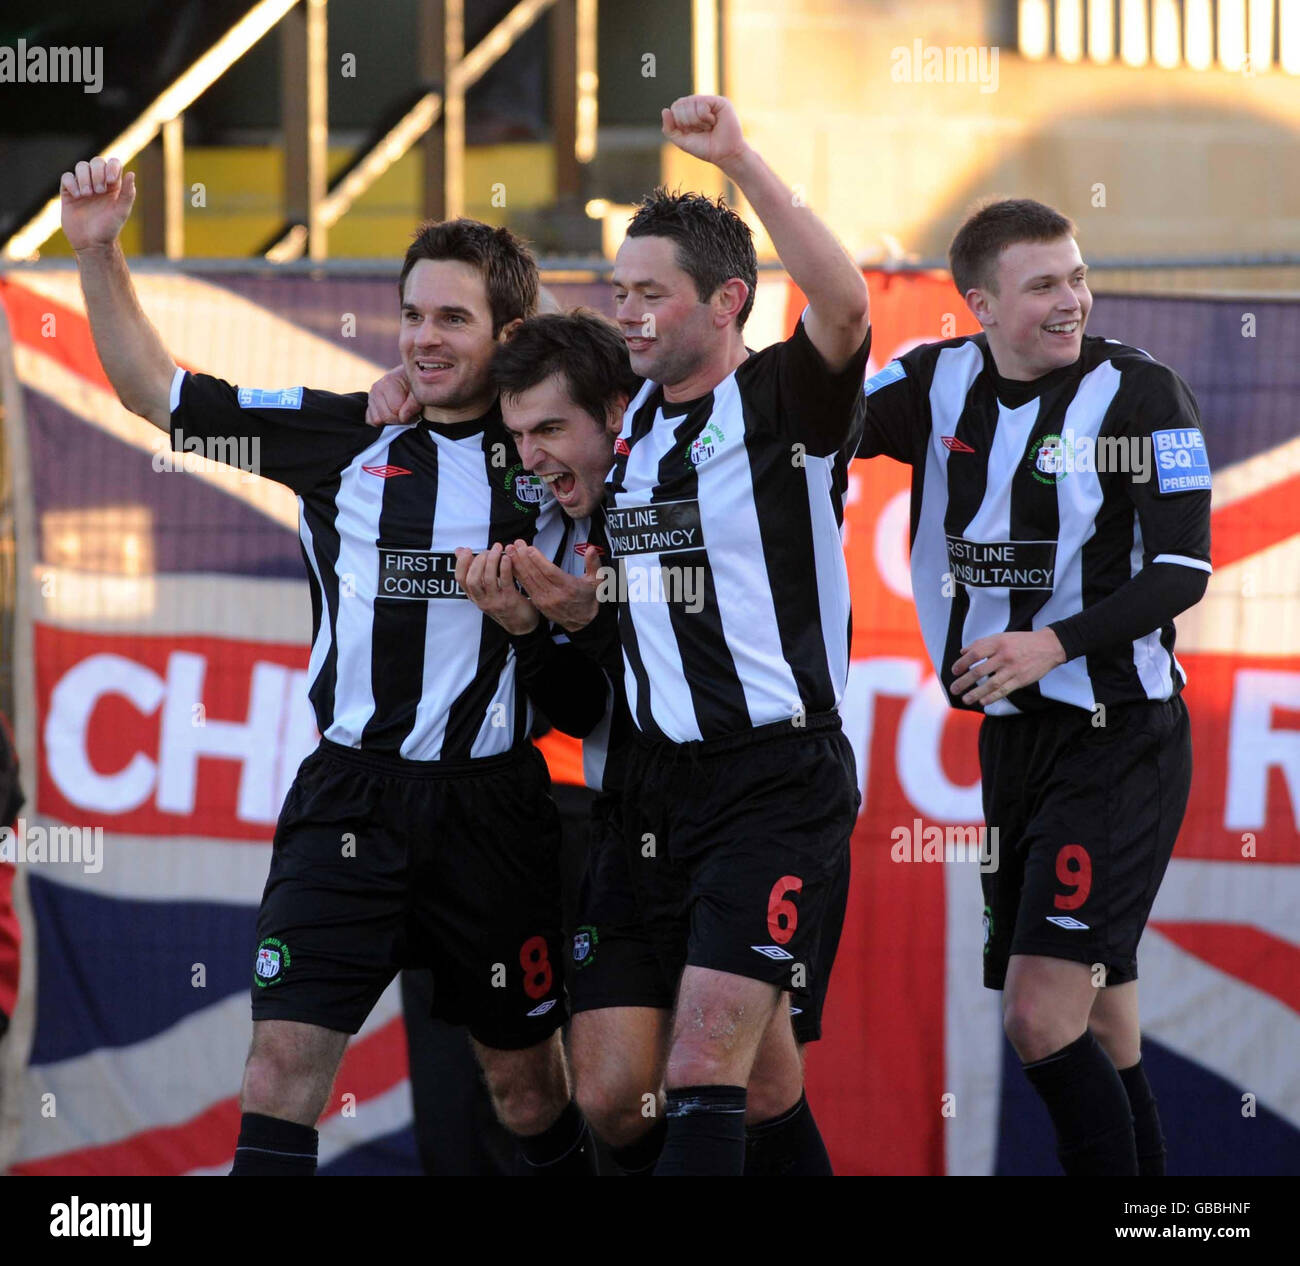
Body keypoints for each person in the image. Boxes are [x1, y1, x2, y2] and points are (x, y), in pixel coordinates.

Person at [60, 156, 596, 1176]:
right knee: (278, 1076)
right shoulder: (340, 434)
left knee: (527, 1089)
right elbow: (153, 394)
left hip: (495, 813)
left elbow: (627, 374)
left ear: (511, 337)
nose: (422, 340)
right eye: (411, 317)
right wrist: (97, 249)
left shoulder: (554, 454)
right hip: (349, 801)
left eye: (452, 319)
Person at [496, 97, 869, 1176]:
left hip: (772, 781)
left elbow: (840, 304)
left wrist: (741, 157)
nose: (629, 315)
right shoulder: (632, 422)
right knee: (621, 1096)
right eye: (620, 294)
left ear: (727, 301)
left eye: (651, 294)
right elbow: (528, 394)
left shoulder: (782, 404)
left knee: (710, 1063)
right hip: (645, 793)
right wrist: (568, 615)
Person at [854, 197, 1212, 1175]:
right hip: (1013, 745)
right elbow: (814, 422)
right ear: (977, 302)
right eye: (1043, 285)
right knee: (1102, 1024)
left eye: (1077, 277)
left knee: (1036, 1016)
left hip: (1118, 736)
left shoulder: (1144, 396)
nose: (1071, 302)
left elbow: (1184, 571)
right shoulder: (935, 381)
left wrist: (1050, 644)